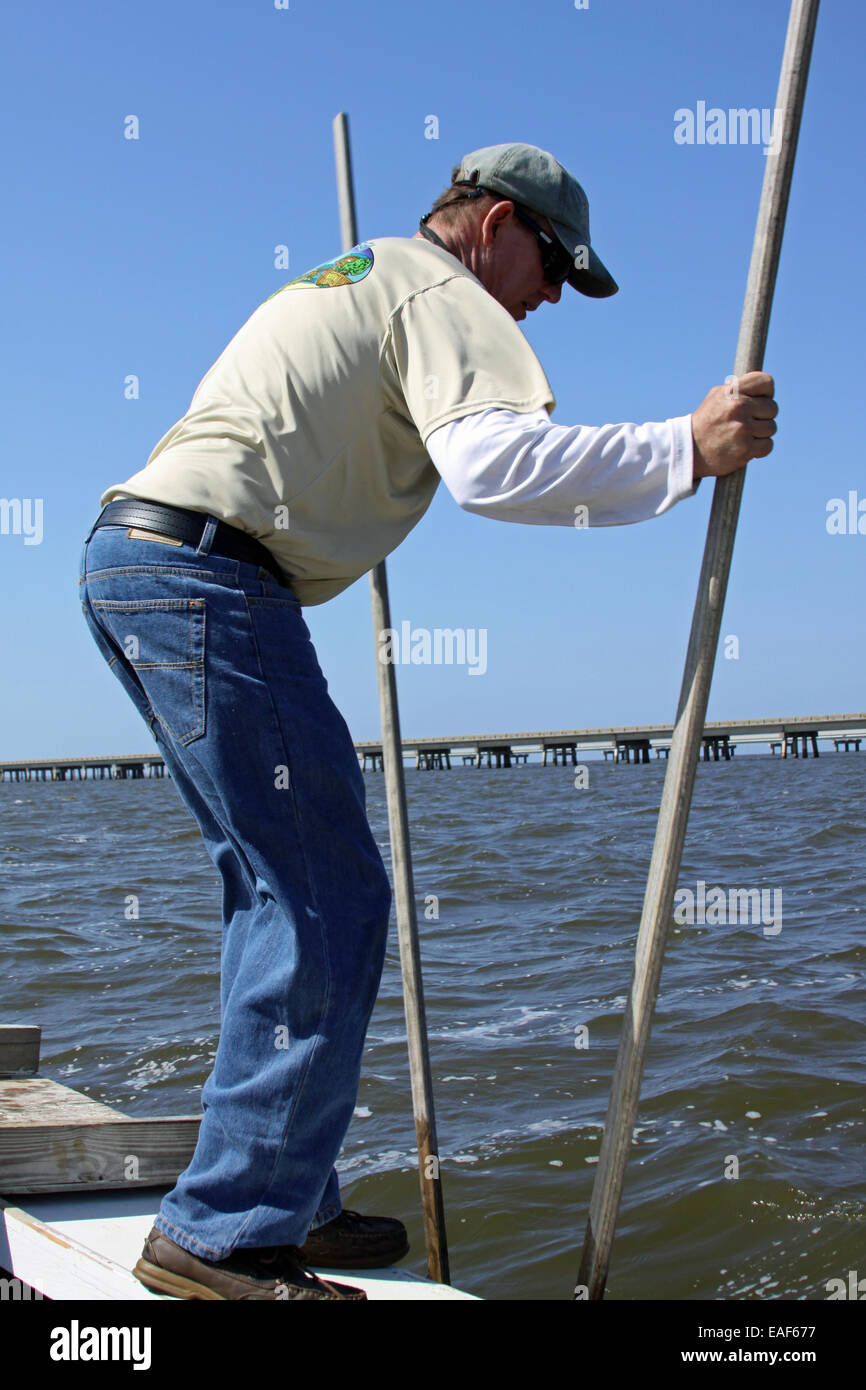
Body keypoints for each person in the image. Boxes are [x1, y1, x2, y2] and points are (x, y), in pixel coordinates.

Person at [78, 142, 777, 1302]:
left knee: (278, 889)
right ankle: (224, 1236)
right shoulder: (440, 285)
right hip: (211, 579)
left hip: (149, 562)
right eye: (551, 264)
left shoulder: (356, 276)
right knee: (324, 895)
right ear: (493, 223)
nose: (549, 296)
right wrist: (683, 449)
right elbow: (493, 468)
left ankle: (281, 1195)